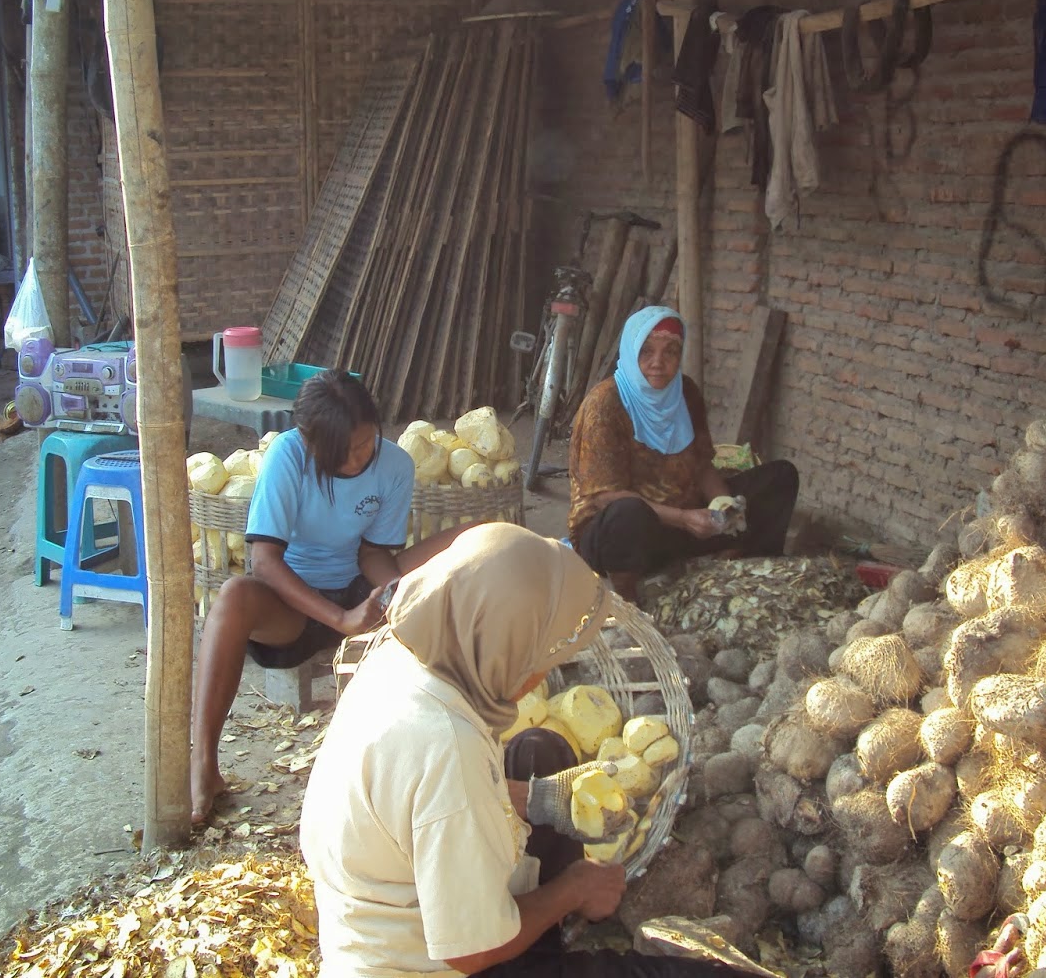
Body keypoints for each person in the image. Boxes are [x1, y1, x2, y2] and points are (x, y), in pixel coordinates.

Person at [300, 523, 747, 977]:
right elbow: (470, 951)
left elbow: (419, 805)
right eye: (542, 658)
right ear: (505, 650)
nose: (540, 675)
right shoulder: (446, 746)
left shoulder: (410, 654)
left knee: (539, 749)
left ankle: (547, 932)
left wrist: (526, 798)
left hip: (381, 918)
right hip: (435, 965)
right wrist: (573, 890)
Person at [191, 370, 467, 824]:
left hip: (359, 587)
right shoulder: (287, 455)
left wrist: (389, 594)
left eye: (366, 444)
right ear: (311, 441)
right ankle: (204, 763)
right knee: (234, 595)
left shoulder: (395, 465)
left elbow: (374, 552)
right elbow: (265, 561)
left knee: (470, 536)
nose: (360, 459)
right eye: (346, 452)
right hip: (294, 604)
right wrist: (340, 618)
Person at [567, 305, 800, 604]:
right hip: (622, 534)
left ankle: (743, 573)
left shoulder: (685, 393)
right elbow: (605, 496)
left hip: (683, 521)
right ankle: (629, 597)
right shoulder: (605, 404)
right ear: (630, 351)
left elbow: (701, 466)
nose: (658, 363)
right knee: (628, 512)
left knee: (780, 477)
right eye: (646, 351)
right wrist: (683, 518)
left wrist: (723, 505)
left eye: (670, 352)